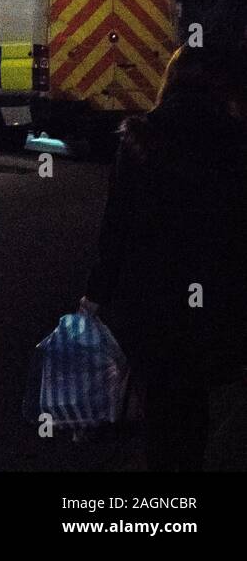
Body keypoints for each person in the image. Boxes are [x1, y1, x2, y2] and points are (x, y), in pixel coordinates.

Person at [81, 43, 247, 470]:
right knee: (197, 395)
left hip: (151, 294)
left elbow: (116, 224)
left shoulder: (141, 135)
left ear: (169, 80)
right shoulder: (233, 139)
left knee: (161, 398)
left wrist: (97, 292)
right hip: (214, 292)